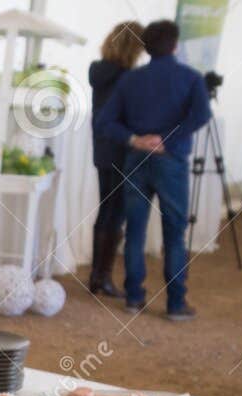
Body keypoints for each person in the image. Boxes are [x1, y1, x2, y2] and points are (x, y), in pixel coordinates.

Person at [93, 19, 212, 321]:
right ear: (175, 45)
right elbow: (201, 115)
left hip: (136, 159)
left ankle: (134, 297)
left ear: (145, 46)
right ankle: (175, 303)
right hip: (171, 161)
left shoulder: (130, 80)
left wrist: (135, 139)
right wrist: (168, 139)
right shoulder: (190, 78)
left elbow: (104, 122)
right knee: (174, 233)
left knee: (135, 229)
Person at [87, 21, 144, 297]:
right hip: (122, 150)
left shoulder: (99, 72)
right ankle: (102, 277)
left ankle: (97, 276)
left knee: (106, 209)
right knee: (116, 212)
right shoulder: (127, 78)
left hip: (102, 149)